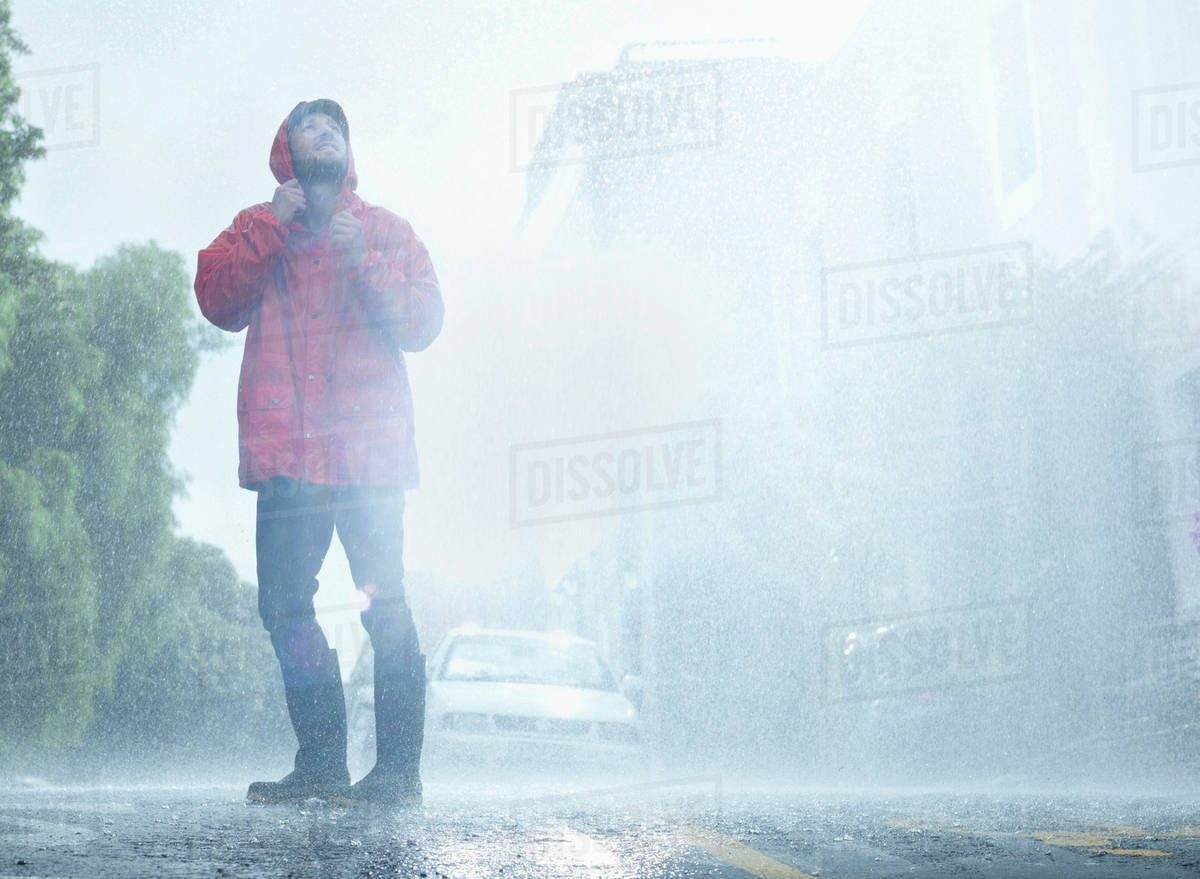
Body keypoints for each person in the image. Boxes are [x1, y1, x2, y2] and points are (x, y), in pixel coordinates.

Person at [194, 99, 444, 806]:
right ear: (286, 149)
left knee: (385, 605)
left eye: (336, 125)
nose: (326, 131)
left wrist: (364, 263)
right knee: (284, 606)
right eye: (310, 124)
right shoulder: (256, 226)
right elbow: (217, 299)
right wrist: (273, 228)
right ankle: (324, 764)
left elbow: (425, 322)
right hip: (287, 458)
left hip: (369, 456)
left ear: (348, 149)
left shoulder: (385, 232)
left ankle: (398, 772)